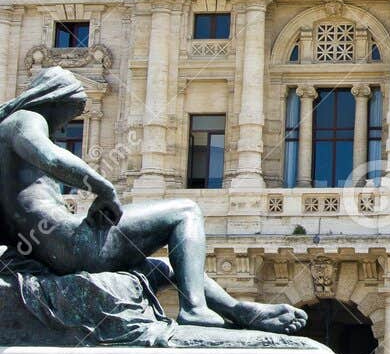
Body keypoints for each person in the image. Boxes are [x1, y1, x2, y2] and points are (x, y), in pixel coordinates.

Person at [0, 68, 304, 334]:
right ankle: (194, 310)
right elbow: (49, 156)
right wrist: (104, 189)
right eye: (69, 114)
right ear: (53, 98)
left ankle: (238, 309)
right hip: (69, 243)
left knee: (165, 268)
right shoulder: (25, 119)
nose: (65, 127)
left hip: (50, 250)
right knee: (185, 211)